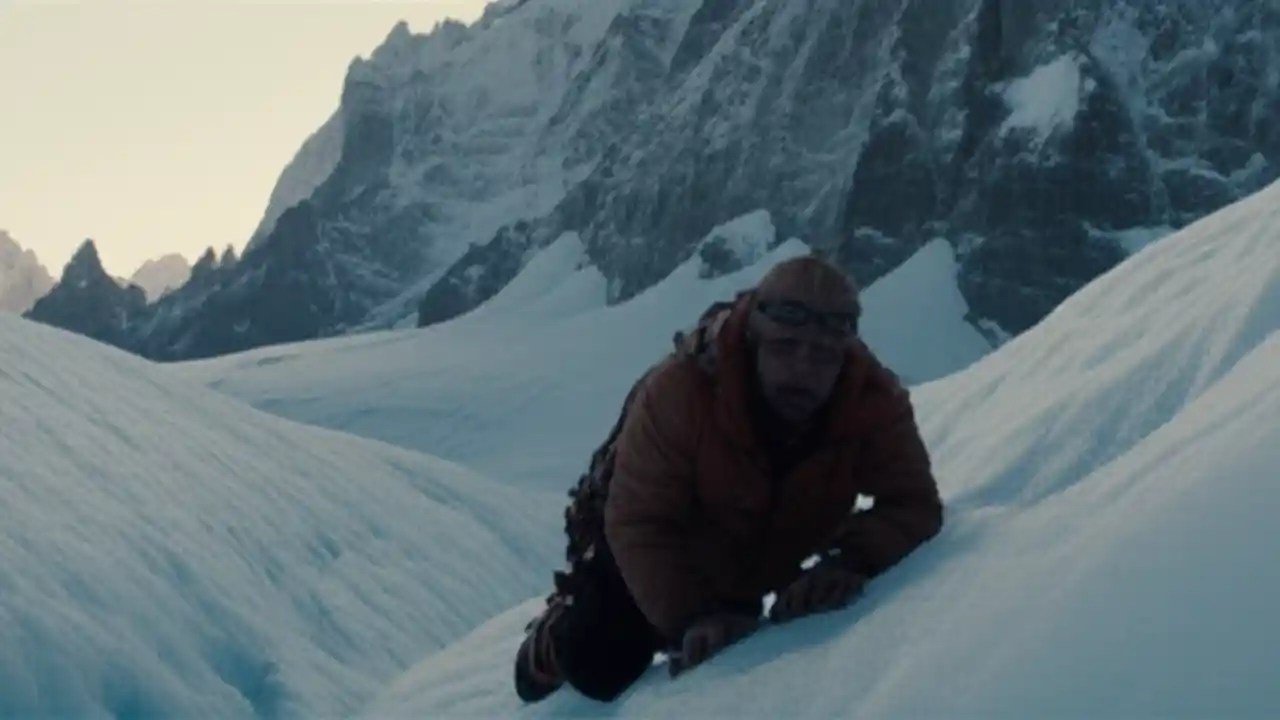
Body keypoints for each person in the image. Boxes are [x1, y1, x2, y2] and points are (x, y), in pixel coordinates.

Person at [515, 255, 943, 703]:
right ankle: (550, 639)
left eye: (823, 355)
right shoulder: (681, 389)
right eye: (784, 346)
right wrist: (693, 618)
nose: (803, 369)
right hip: (649, 549)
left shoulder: (871, 401)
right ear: (755, 341)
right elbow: (639, 520)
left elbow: (913, 503)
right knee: (601, 661)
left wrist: (849, 562)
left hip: (753, 562)